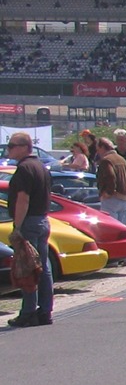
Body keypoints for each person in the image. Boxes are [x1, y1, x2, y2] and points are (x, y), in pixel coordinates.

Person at [5, 130, 53, 327]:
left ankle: (28, 313)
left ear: (24, 147)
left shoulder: (25, 168)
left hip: (30, 222)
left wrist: (17, 226)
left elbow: (23, 199)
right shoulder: (40, 166)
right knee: (43, 267)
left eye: (12, 146)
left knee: (28, 269)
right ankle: (45, 311)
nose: (9, 150)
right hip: (42, 220)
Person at [93, 134, 126, 231]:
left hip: (112, 198)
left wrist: (108, 193)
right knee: (123, 229)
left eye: (98, 149)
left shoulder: (106, 160)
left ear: (103, 147)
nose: (98, 152)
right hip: (124, 197)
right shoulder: (121, 159)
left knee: (111, 229)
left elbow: (110, 176)